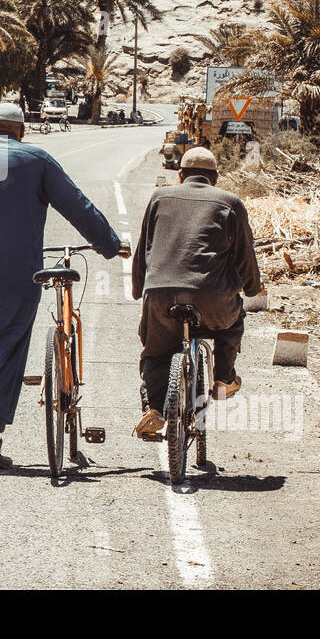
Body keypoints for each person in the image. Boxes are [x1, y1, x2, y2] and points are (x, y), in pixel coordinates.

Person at [0, 102, 127, 468]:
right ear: (21, 132)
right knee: (6, 344)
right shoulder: (36, 159)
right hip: (15, 269)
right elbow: (78, 206)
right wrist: (109, 244)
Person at [131, 146, 264, 440]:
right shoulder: (231, 203)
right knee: (233, 321)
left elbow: (144, 250)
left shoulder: (159, 197)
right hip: (212, 299)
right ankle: (222, 379)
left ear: (180, 175)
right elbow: (245, 256)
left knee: (156, 350)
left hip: (161, 294)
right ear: (215, 177)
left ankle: (153, 409)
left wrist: (139, 289)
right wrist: (254, 288)